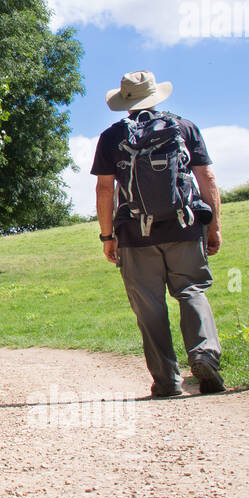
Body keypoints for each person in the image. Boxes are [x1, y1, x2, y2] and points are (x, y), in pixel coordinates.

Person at [90, 71, 225, 398]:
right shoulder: (184, 128)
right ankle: (204, 354)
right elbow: (206, 177)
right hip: (185, 225)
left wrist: (107, 236)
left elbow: (104, 189)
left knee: (149, 308)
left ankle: (166, 381)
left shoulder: (111, 137)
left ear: (126, 103)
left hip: (135, 234)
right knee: (191, 290)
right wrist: (214, 225)